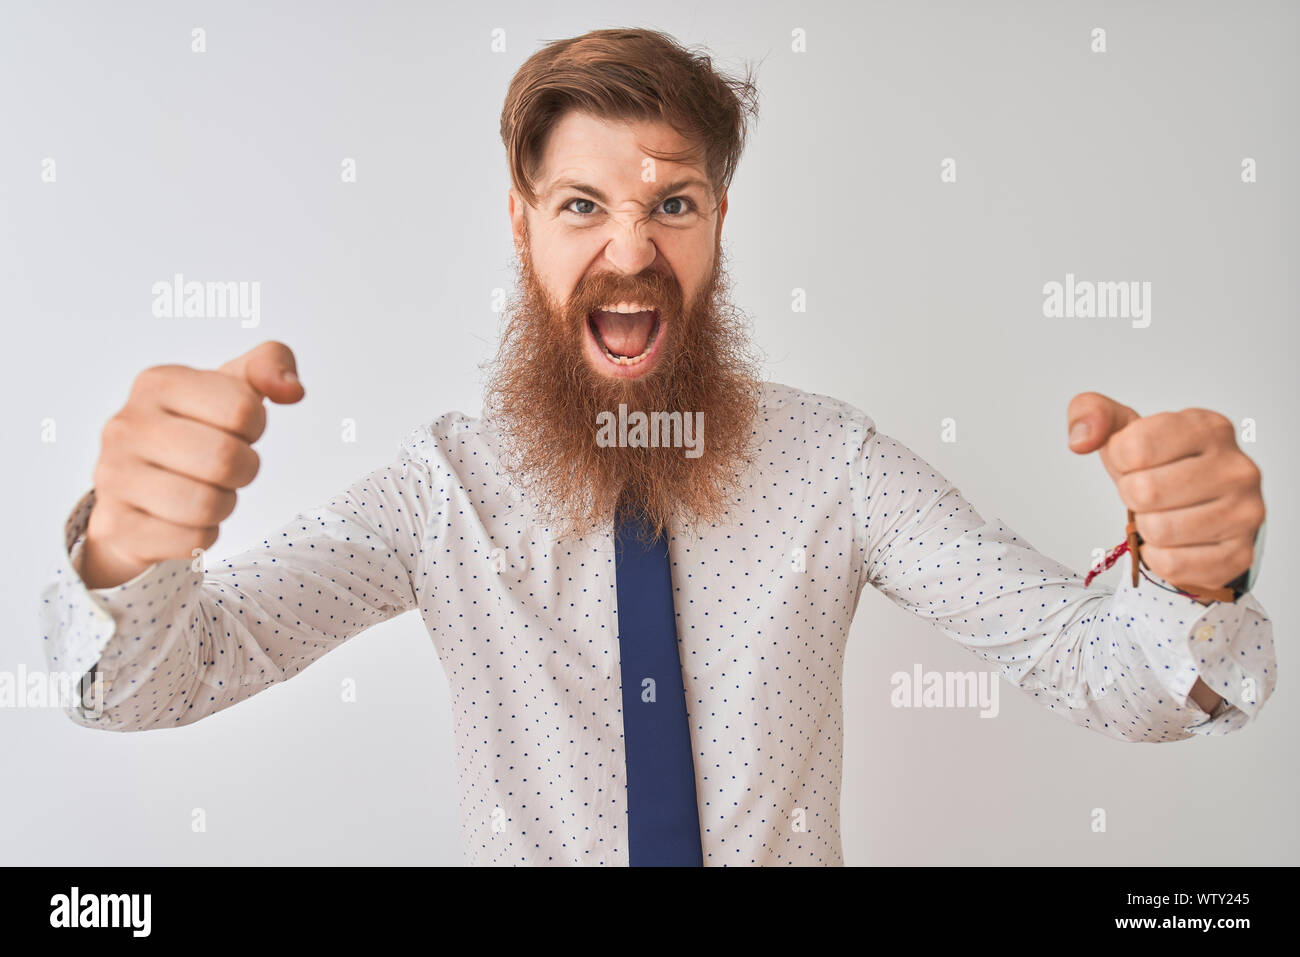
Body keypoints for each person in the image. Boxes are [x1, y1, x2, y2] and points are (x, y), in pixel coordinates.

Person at [40, 27, 1273, 866]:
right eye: (582, 206)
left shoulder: (837, 465)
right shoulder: (438, 492)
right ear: (522, 225)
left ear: (717, 221)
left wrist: (1189, 580)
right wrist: (128, 556)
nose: (628, 252)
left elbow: (1103, 674)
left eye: (669, 204)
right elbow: (158, 683)